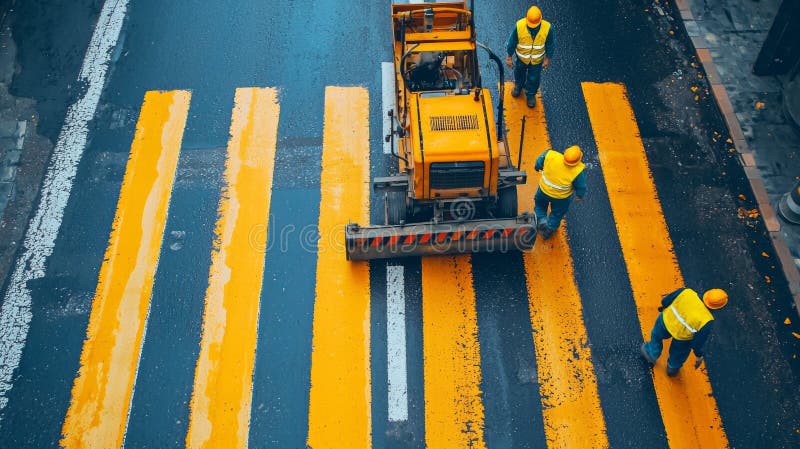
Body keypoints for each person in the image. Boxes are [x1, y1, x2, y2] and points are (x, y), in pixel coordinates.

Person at [641, 288, 728, 376]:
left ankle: (651, 353)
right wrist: (699, 355)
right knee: (679, 352)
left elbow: (666, 300)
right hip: (682, 337)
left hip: (666, 321)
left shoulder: (687, 292)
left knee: (656, 336)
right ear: (717, 308)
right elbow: (698, 341)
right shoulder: (707, 320)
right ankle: (672, 367)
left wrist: (663, 306)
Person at [505, 6, 554, 108]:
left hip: (536, 60)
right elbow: (512, 42)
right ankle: (518, 86)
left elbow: (550, 44)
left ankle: (531, 95)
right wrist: (509, 56)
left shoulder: (547, 28)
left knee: (534, 78)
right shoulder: (519, 26)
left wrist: (547, 58)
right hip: (521, 59)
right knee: (519, 72)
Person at [534, 145, 585, 239]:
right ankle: (549, 229)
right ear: (578, 161)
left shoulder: (551, 155)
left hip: (543, 191)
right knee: (557, 213)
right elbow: (581, 186)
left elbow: (539, 162)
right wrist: (580, 195)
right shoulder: (577, 171)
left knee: (540, 205)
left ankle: (541, 220)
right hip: (561, 198)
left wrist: (537, 167)